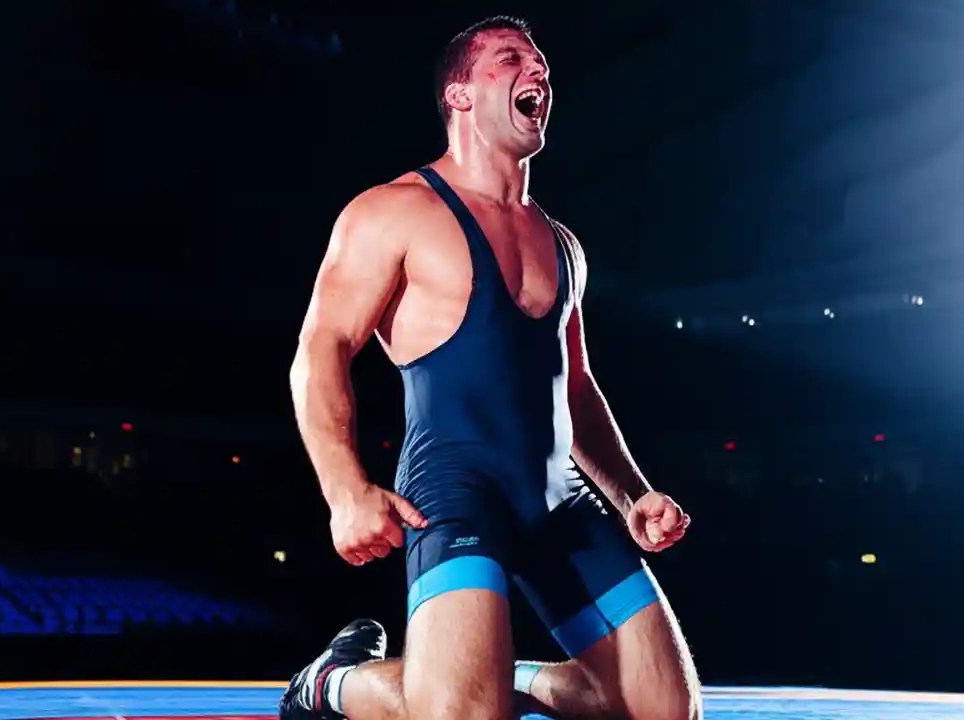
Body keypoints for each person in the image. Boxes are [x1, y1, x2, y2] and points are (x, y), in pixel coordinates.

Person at [281, 15, 700, 720]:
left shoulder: (563, 244)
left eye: (541, 64)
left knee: (665, 711)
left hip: (559, 500)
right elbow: (319, 348)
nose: (538, 73)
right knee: (465, 716)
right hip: (455, 490)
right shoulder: (394, 211)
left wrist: (633, 498)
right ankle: (332, 682)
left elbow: (579, 387)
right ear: (461, 94)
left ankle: (503, 675)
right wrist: (345, 491)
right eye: (512, 61)